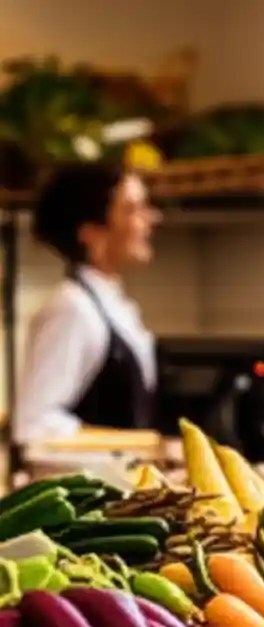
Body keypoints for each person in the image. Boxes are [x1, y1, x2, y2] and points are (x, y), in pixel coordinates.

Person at [15, 163, 162, 443]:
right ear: (90, 232)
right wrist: (145, 444)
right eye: (132, 209)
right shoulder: (73, 309)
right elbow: (34, 425)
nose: (151, 218)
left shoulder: (115, 306)